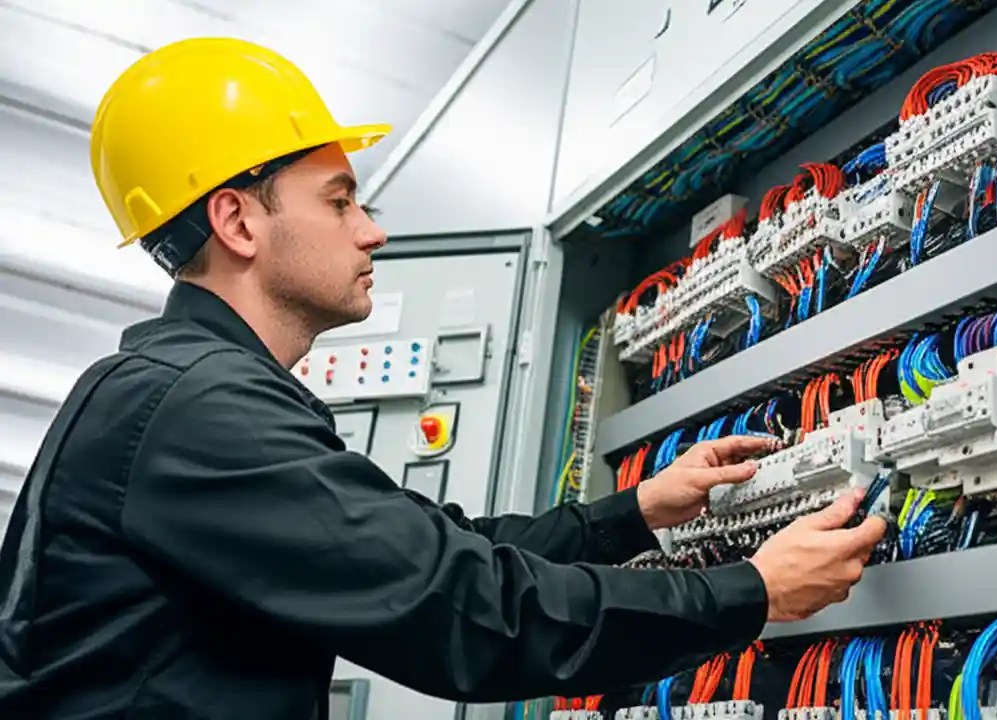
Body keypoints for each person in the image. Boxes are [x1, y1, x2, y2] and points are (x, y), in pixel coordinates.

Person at [0, 38, 888, 719]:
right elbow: (460, 605)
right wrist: (751, 591)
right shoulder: (195, 409)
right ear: (236, 220)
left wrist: (639, 510)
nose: (372, 232)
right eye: (341, 201)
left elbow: (431, 547)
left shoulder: (180, 394)